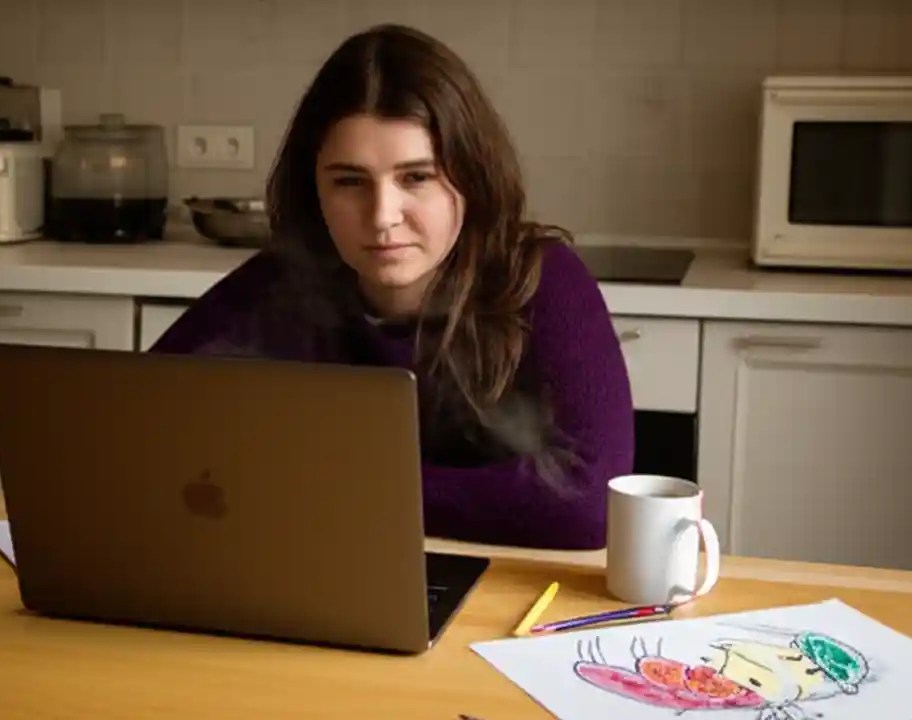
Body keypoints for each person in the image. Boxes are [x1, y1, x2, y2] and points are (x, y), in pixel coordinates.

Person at [151, 23, 634, 550]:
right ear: (314, 189)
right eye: (349, 181)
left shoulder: (543, 279)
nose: (382, 216)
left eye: (416, 178)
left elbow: (590, 502)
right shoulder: (284, 281)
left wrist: (337, 484)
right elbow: (137, 422)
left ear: (471, 177)